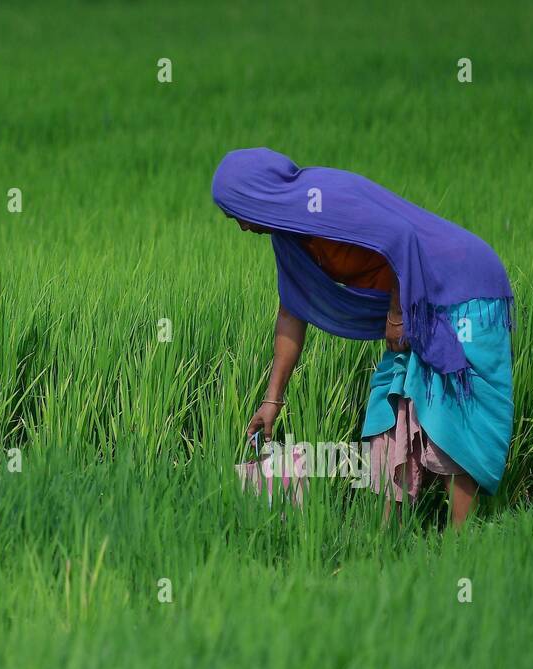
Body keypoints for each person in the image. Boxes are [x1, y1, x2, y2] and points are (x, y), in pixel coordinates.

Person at [213, 148, 514, 527]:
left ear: (256, 197)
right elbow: (292, 311)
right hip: (413, 298)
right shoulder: (288, 238)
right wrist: (273, 400)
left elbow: (400, 237)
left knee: (448, 408)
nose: (240, 226)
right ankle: (386, 541)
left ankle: (461, 545)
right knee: (391, 407)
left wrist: (397, 313)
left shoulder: (323, 199)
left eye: (237, 214)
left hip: (459, 284)